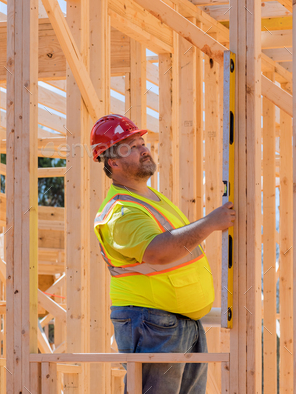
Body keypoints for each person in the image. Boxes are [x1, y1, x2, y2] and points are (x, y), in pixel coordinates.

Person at [91, 114, 235, 394]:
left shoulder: (150, 199)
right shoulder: (121, 212)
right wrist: (210, 223)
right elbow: (157, 252)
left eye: (141, 142)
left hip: (176, 323)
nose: (144, 148)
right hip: (152, 323)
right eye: (131, 146)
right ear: (113, 162)